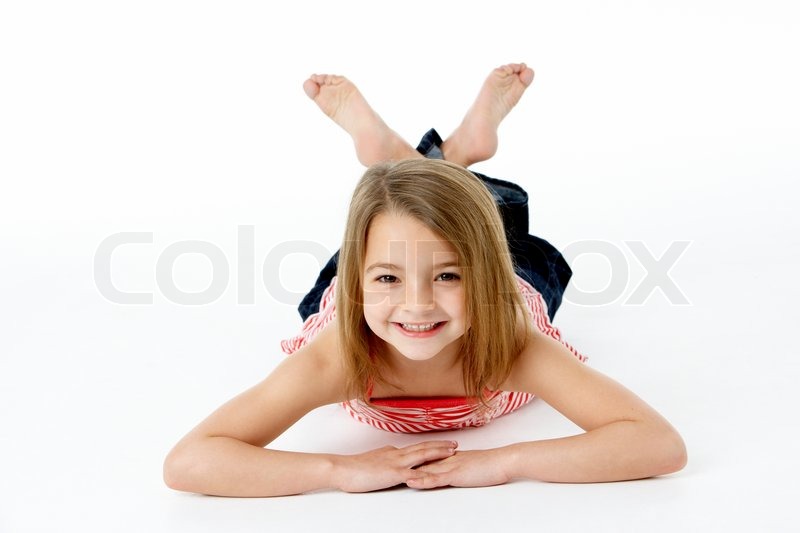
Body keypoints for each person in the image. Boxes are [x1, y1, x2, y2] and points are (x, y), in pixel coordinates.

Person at [163, 63, 687, 497]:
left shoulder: (514, 345)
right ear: (356, 284)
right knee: (406, 230)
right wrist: (341, 471)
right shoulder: (337, 357)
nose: (416, 305)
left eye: (449, 275)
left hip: (504, 284)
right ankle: (427, 160)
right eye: (386, 278)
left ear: (485, 277)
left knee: (509, 229)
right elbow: (189, 461)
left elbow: (658, 444)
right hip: (365, 300)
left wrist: (503, 463)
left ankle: (427, 162)